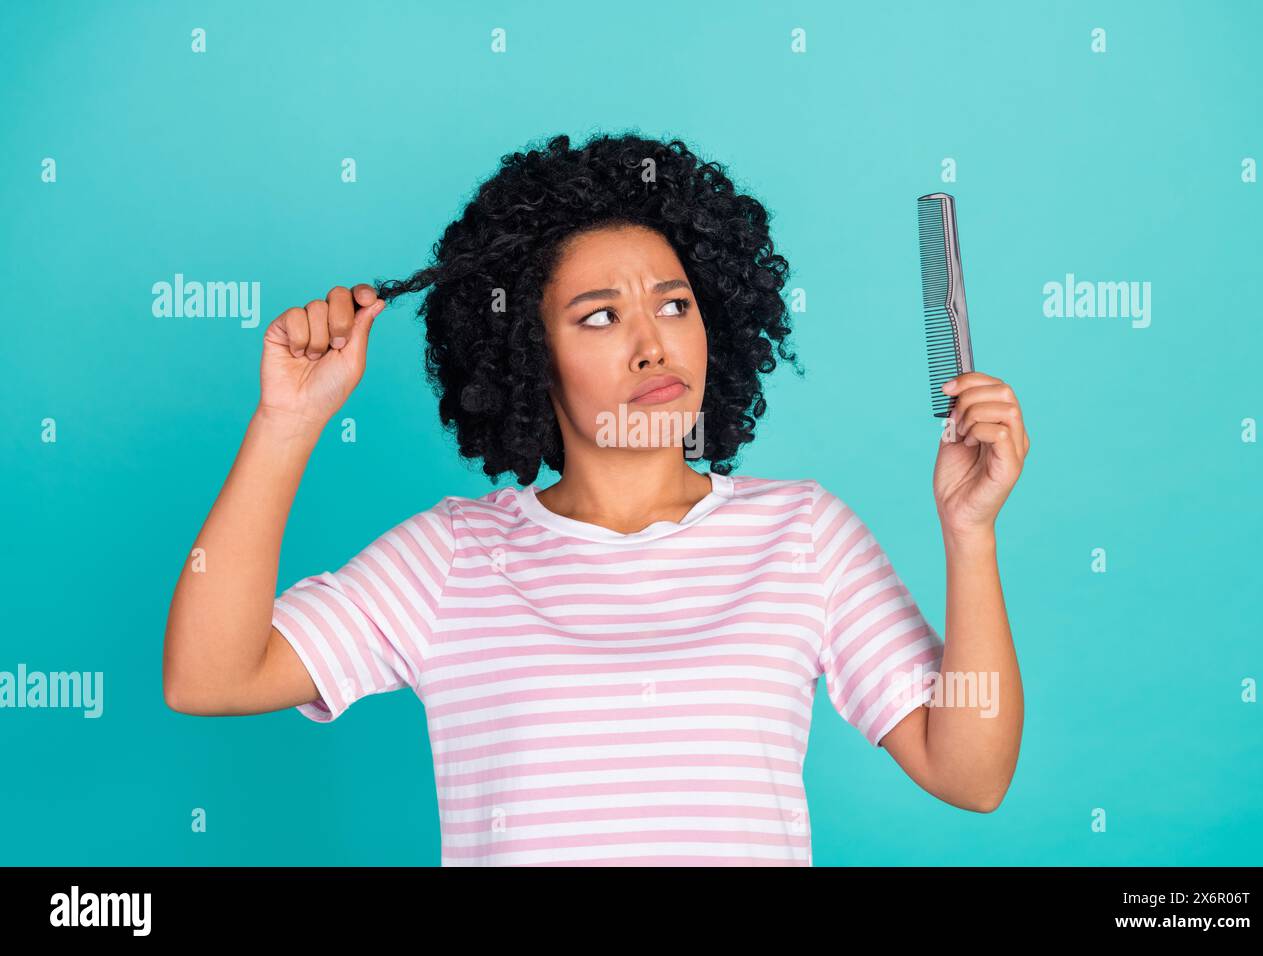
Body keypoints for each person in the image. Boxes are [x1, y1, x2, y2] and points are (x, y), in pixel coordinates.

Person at [162, 131, 1029, 866]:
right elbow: (209, 676)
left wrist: (970, 533)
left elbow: (972, 775)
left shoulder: (801, 534)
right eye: (600, 317)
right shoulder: (452, 557)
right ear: (527, 356)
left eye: (674, 304)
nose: (653, 345)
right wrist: (287, 422)